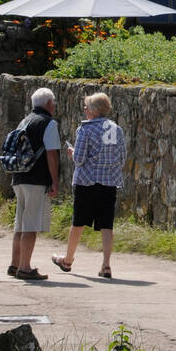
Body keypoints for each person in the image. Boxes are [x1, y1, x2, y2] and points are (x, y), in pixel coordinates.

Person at [51, 92, 126, 280]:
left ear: (93, 110)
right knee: (106, 224)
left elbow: (80, 158)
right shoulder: (116, 129)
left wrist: (72, 152)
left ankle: (67, 260)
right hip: (109, 182)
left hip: (87, 181)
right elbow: (122, 158)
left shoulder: (85, 129)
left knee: (78, 222)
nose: (84, 110)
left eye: (86, 107)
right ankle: (106, 265)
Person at [9, 87, 61, 281]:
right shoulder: (48, 123)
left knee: (20, 224)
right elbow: (51, 154)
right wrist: (54, 181)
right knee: (30, 225)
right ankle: (25, 268)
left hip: (19, 176)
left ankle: (15, 265)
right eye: (53, 103)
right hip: (36, 179)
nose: (54, 106)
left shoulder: (24, 121)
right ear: (48, 103)